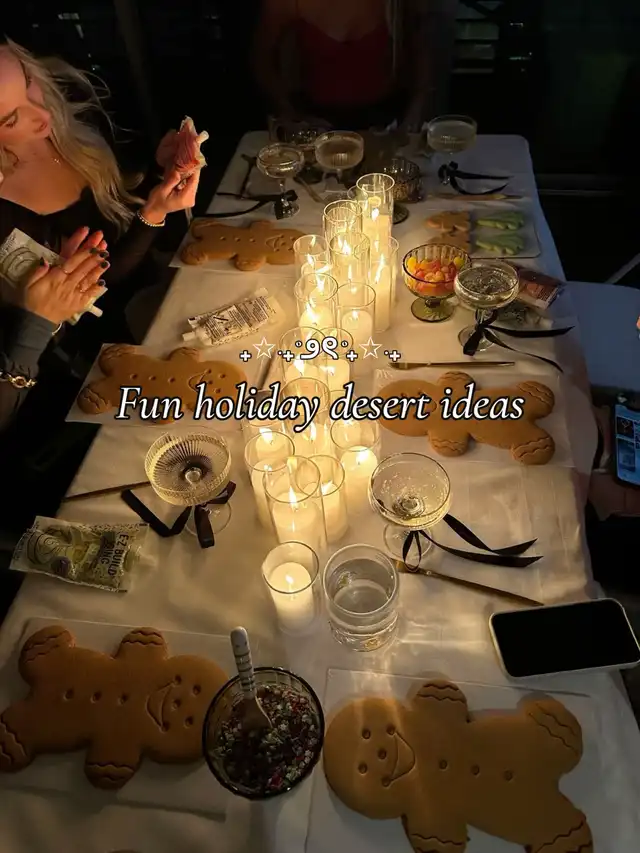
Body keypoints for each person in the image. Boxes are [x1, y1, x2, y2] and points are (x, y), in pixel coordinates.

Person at [253, 0, 438, 131]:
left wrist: (415, 112)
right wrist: (288, 112)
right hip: (317, 124)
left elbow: (422, 55)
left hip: (385, 123)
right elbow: (261, 59)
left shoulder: (396, 4)